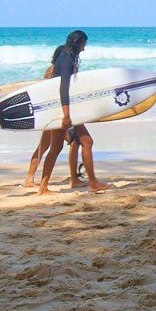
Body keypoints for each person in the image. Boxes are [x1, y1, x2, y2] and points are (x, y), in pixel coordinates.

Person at [39, 30, 108, 194]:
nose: (84, 49)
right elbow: (63, 87)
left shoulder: (64, 55)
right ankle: (93, 183)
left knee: (55, 148)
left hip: (57, 107)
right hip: (64, 109)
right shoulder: (67, 59)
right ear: (78, 43)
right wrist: (67, 114)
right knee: (87, 142)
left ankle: (43, 187)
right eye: (83, 45)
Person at [22, 62, 65, 189]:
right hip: (55, 114)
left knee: (42, 147)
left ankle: (29, 178)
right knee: (55, 146)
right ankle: (73, 177)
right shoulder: (57, 70)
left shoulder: (50, 70)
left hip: (48, 113)